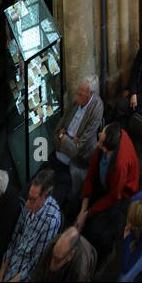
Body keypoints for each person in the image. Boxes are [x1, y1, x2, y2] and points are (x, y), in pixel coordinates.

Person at [75, 123, 139, 265]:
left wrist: (88, 212)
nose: (99, 134)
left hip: (121, 194)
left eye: (101, 136)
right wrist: (83, 208)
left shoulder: (119, 167)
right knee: (76, 204)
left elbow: (113, 196)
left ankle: (102, 258)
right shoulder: (113, 136)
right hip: (107, 183)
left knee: (96, 232)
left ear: (107, 150)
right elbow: (92, 171)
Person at [51, 75, 104, 209]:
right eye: (78, 92)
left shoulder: (97, 108)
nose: (76, 96)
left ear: (90, 95)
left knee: (59, 194)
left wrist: (64, 139)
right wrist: (66, 139)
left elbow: (79, 148)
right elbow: (58, 130)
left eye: (81, 94)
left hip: (77, 160)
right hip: (60, 151)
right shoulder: (76, 102)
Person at [0, 170, 61, 282]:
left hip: (23, 277)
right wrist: (0, 276)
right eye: (28, 197)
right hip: (9, 266)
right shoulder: (28, 206)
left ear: (45, 196)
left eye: (32, 199)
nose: (27, 204)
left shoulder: (51, 220)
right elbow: (13, 242)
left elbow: (36, 264)